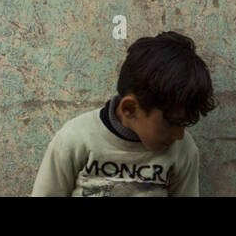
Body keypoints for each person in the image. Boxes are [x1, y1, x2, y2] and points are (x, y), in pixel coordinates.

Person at [31, 30, 217, 196]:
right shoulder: (75, 139)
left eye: (184, 124)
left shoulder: (183, 150)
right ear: (130, 109)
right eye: (172, 122)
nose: (179, 135)